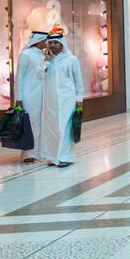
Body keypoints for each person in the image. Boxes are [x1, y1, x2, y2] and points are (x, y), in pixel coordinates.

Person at [37, 27, 83, 166]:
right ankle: (52, 157)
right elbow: (39, 76)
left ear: (62, 44)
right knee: (51, 128)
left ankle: (66, 157)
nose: (53, 46)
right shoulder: (46, 60)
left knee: (65, 127)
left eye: (56, 43)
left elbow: (78, 81)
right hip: (50, 101)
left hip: (67, 99)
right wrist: (46, 60)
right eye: (50, 43)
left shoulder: (72, 59)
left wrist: (79, 99)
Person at [15, 30, 49, 164]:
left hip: (42, 95)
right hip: (28, 95)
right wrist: (19, 97)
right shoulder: (25, 55)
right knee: (31, 124)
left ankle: (39, 152)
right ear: (40, 41)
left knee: (41, 124)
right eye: (45, 40)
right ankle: (28, 154)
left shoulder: (44, 55)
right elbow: (19, 78)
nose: (47, 43)